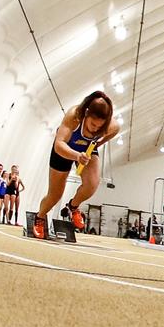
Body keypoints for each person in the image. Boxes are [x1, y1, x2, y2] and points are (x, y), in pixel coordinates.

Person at [34, 91, 119, 238]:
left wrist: (97, 143)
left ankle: (73, 206)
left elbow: (115, 130)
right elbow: (58, 145)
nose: (95, 129)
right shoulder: (74, 115)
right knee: (54, 195)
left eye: (99, 127)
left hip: (87, 150)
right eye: (92, 124)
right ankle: (40, 217)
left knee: (92, 184)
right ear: (86, 114)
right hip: (65, 149)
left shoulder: (110, 125)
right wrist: (76, 156)